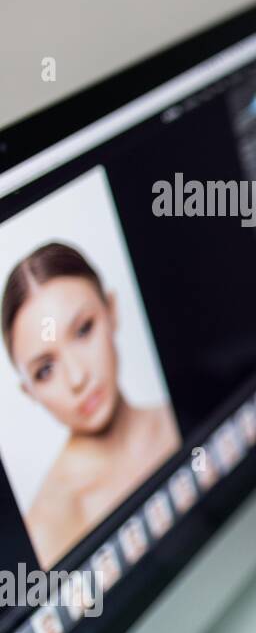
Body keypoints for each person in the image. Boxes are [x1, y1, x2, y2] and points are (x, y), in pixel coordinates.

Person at [1, 242, 181, 569]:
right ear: (29, 392)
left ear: (111, 311)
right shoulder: (44, 531)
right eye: (45, 370)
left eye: (84, 330)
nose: (76, 377)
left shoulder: (184, 415)